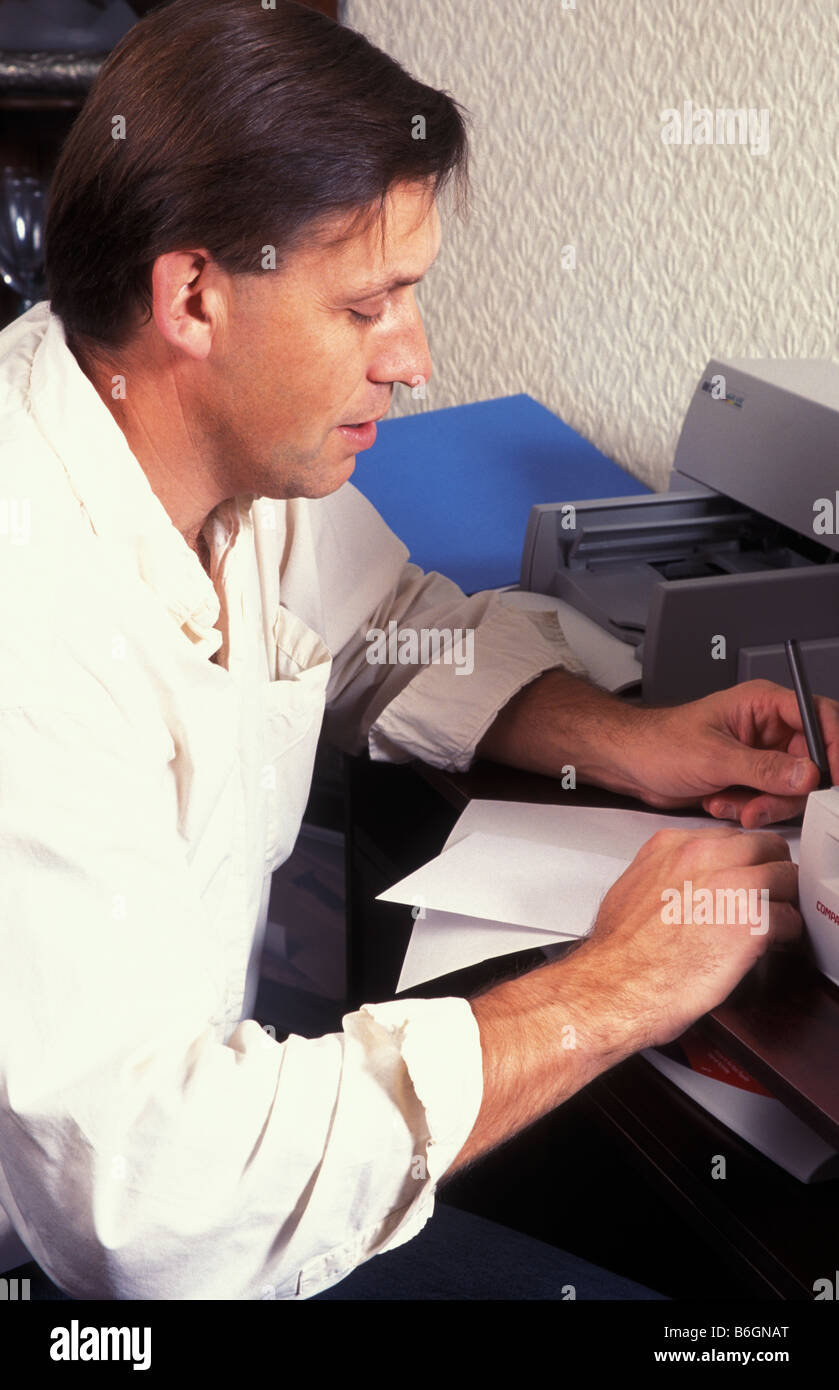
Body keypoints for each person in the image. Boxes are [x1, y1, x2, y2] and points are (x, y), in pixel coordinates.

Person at [0, 0, 834, 1301]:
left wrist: (634, 736)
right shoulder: (30, 593)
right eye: (367, 305)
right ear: (196, 296)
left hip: (205, 1144)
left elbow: (383, 628)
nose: (416, 360)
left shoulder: (237, 464)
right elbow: (143, 1197)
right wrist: (614, 983)